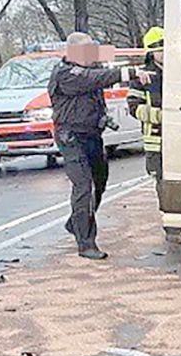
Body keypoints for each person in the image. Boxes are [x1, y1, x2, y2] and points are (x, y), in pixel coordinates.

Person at [49, 32, 149, 260]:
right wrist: (130, 72)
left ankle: (77, 222)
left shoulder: (91, 69)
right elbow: (93, 80)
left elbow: (97, 83)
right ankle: (86, 243)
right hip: (71, 137)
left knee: (100, 182)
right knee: (84, 186)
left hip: (92, 134)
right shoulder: (65, 74)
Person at [126, 27, 181, 244]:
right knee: (163, 183)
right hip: (157, 139)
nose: (163, 53)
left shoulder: (180, 71)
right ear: (150, 53)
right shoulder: (143, 76)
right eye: (159, 50)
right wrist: (161, 115)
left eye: (165, 48)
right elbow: (134, 107)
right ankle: (172, 228)